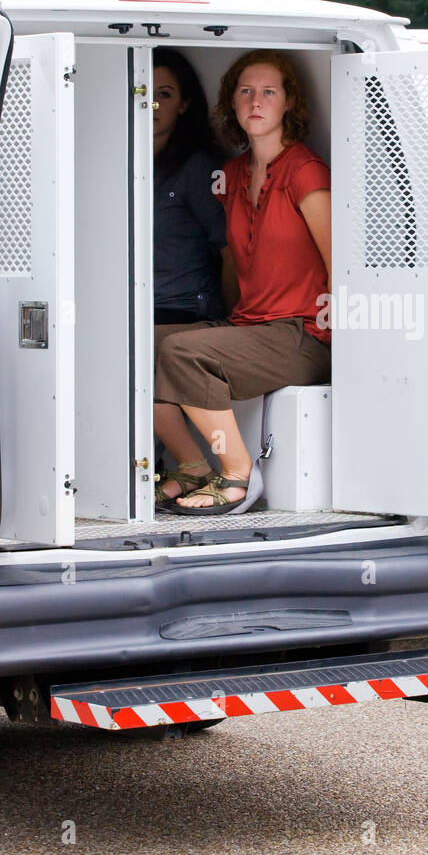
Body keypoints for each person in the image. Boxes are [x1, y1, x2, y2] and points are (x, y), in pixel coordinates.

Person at [154, 50, 331, 515]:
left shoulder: (305, 171)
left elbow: (343, 264)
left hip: (303, 333)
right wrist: (226, 324)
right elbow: (233, 262)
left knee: (182, 351)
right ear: (231, 104)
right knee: (136, 346)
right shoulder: (230, 175)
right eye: (245, 91)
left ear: (288, 103)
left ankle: (237, 474)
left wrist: (338, 340)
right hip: (251, 327)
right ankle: (191, 465)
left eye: (269, 92)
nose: (256, 101)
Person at [151, 48, 228, 505]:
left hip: (190, 309)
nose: (154, 103)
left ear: (184, 104)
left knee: (129, 360)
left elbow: (229, 247)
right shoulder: (116, 162)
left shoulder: (198, 168)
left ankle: (194, 467)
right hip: (139, 307)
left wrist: (235, 314)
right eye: (147, 92)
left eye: (166, 93)